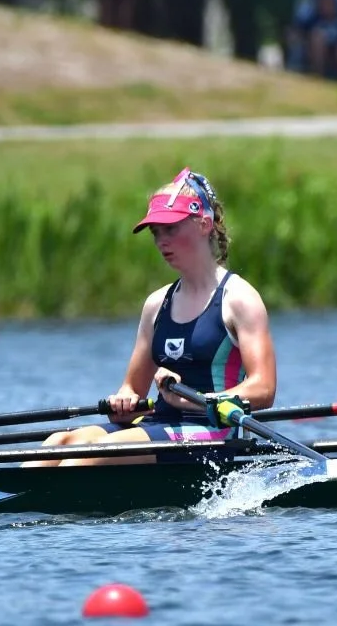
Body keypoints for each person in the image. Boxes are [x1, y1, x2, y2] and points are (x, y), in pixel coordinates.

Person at [34, 169, 276, 466]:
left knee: (91, 455)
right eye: (156, 232)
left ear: (204, 224)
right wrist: (123, 400)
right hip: (160, 423)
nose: (161, 241)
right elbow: (132, 389)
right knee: (57, 444)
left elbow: (264, 389)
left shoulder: (239, 299)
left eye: (170, 229)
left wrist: (194, 400)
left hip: (215, 432)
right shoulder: (156, 304)